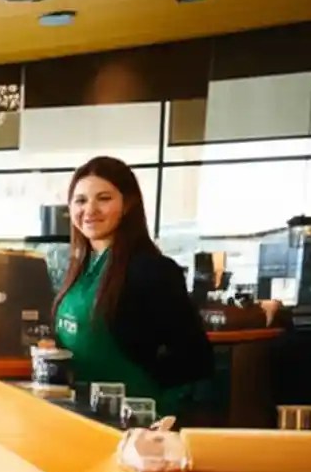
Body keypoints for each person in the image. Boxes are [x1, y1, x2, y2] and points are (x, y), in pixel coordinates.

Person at [53, 156, 212, 419]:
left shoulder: (152, 270)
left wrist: (153, 410)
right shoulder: (80, 267)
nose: (90, 210)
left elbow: (195, 358)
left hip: (135, 422)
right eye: (80, 200)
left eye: (103, 199)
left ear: (127, 204)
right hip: (83, 413)